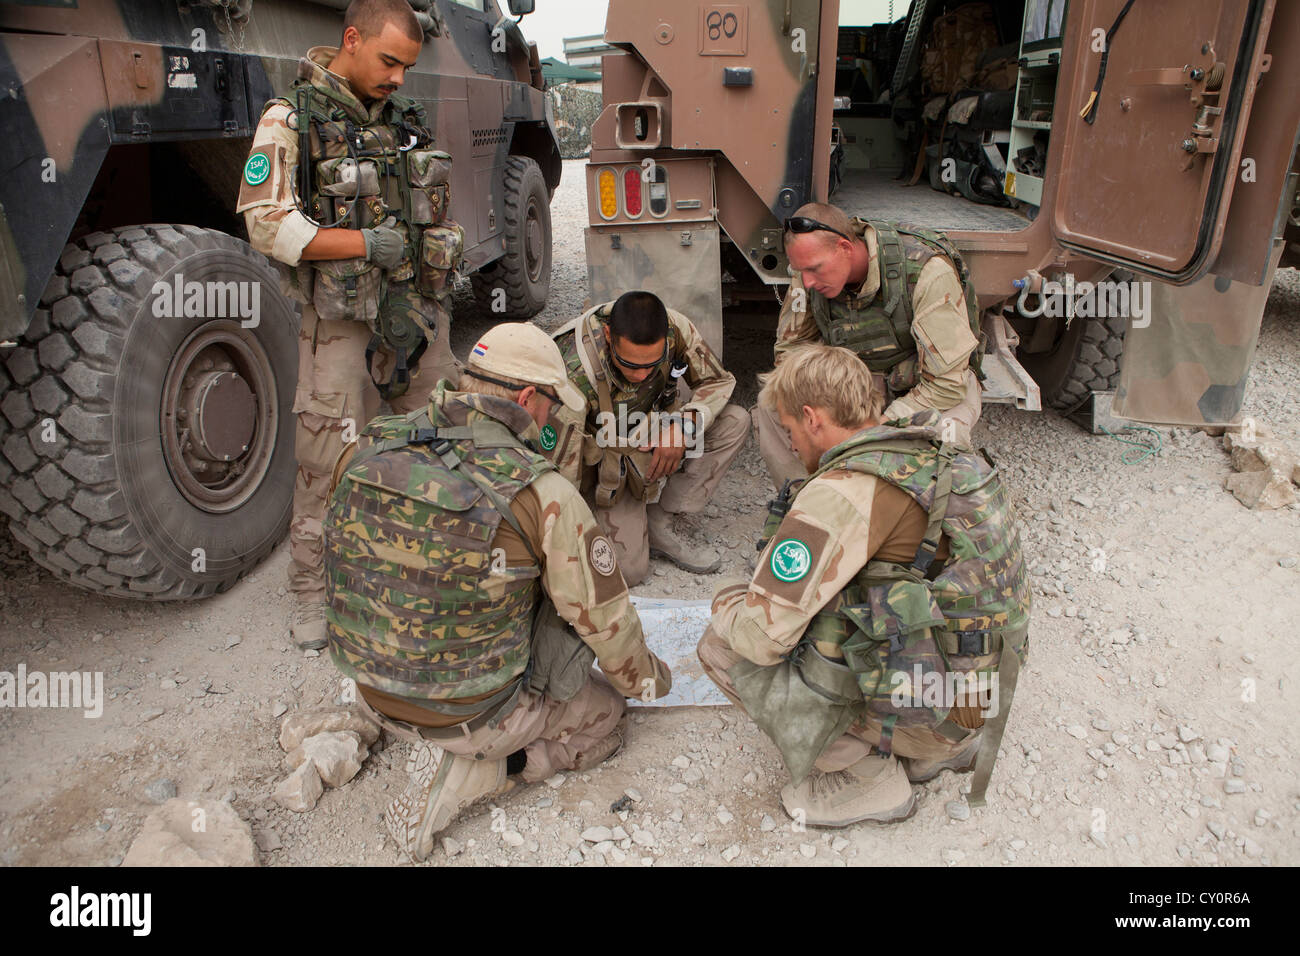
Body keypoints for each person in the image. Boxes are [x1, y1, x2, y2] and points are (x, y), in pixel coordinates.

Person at [323, 322, 672, 861]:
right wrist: (647, 680)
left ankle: (422, 730)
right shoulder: (540, 490)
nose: (550, 421)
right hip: (469, 714)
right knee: (605, 715)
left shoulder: (369, 443)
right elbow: (604, 618)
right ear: (528, 399)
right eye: (551, 408)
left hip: (371, 687)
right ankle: (485, 769)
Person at [699, 345, 1030, 826]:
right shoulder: (931, 446)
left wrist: (727, 595)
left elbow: (760, 638)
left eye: (789, 429)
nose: (790, 444)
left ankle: (866, 778)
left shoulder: (844, 490)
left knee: (723, 645)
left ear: (813, 418)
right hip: (979, 695)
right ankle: (933, 752)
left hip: (938, 710)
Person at [236, 0, 462, 650]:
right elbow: (266, 221)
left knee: (430, 444)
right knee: (326, 456)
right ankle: (312, 589)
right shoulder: (291, 118)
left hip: (416, 316)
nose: (397, 77)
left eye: (407, 66)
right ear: (352, 39)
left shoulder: (406, 122)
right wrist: (362, 246)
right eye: (389, 61)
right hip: (340, 320)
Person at [753, 201, 985, 489]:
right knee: (774, 404)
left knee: (946, 433)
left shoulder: (927, 271)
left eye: (814, 269)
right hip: (857, 385)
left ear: (845, 248)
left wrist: (881, 425)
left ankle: (920, 517)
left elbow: (947, 383)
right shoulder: (809, 274)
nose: (808, 282)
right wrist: (822, 407)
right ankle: (809, 501)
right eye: (801, 271)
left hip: (922, 388)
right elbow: (790, 353)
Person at [547, 290, 751, 585]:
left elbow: (717, 381)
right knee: (628, 572)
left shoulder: (674, 329)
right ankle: (620, 513)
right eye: (630, 365)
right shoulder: (573, 370)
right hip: (604, 468)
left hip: (648, 434)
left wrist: (683, 427)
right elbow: (561, 468)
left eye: (651, 365)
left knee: (734, 421)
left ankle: (659, 519)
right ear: (608, 335)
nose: (642, 375)